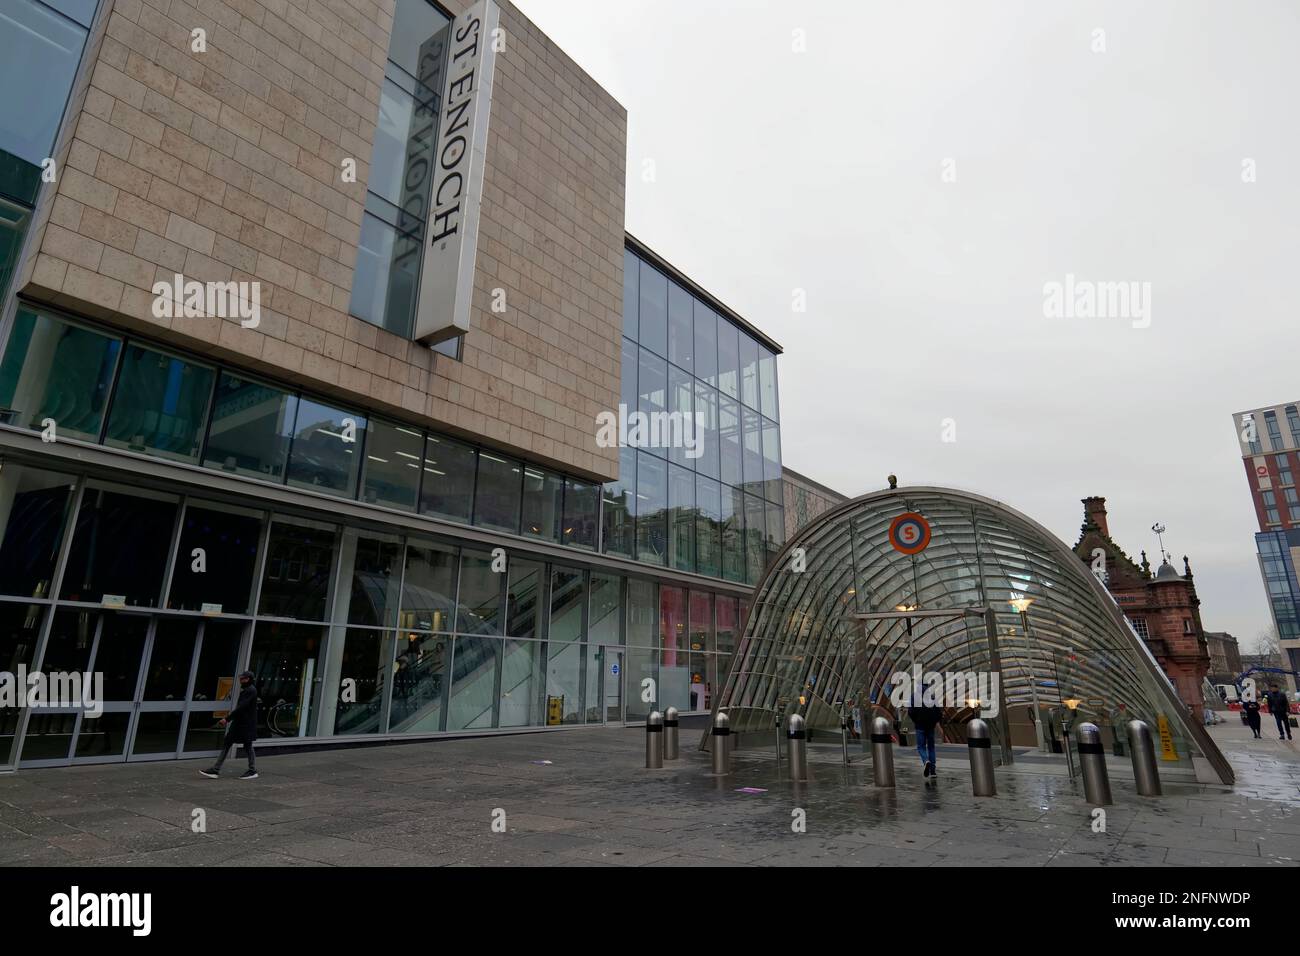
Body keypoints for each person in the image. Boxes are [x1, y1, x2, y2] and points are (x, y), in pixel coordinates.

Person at [200, 671, 259, 779]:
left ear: (249, 679)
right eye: (240, 678)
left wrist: (227, 719)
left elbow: (241, 707)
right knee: (230, 743)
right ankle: (216, 769)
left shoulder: (250, 690)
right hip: (241, 723)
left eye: (243, 679)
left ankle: (252, 770)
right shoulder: (248, 690)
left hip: (244, 724)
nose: (241, 681)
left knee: (246, 745)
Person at [909, 691, 944, 778]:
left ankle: (925, 761)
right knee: (931, 747)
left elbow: (911, 711)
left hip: (920, 726)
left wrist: (916, 721)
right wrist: (934, 722)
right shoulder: (932, 696)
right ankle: (933, 771)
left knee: (921, 747)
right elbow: (939, 712)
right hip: (930, 726)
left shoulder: (914, 696)